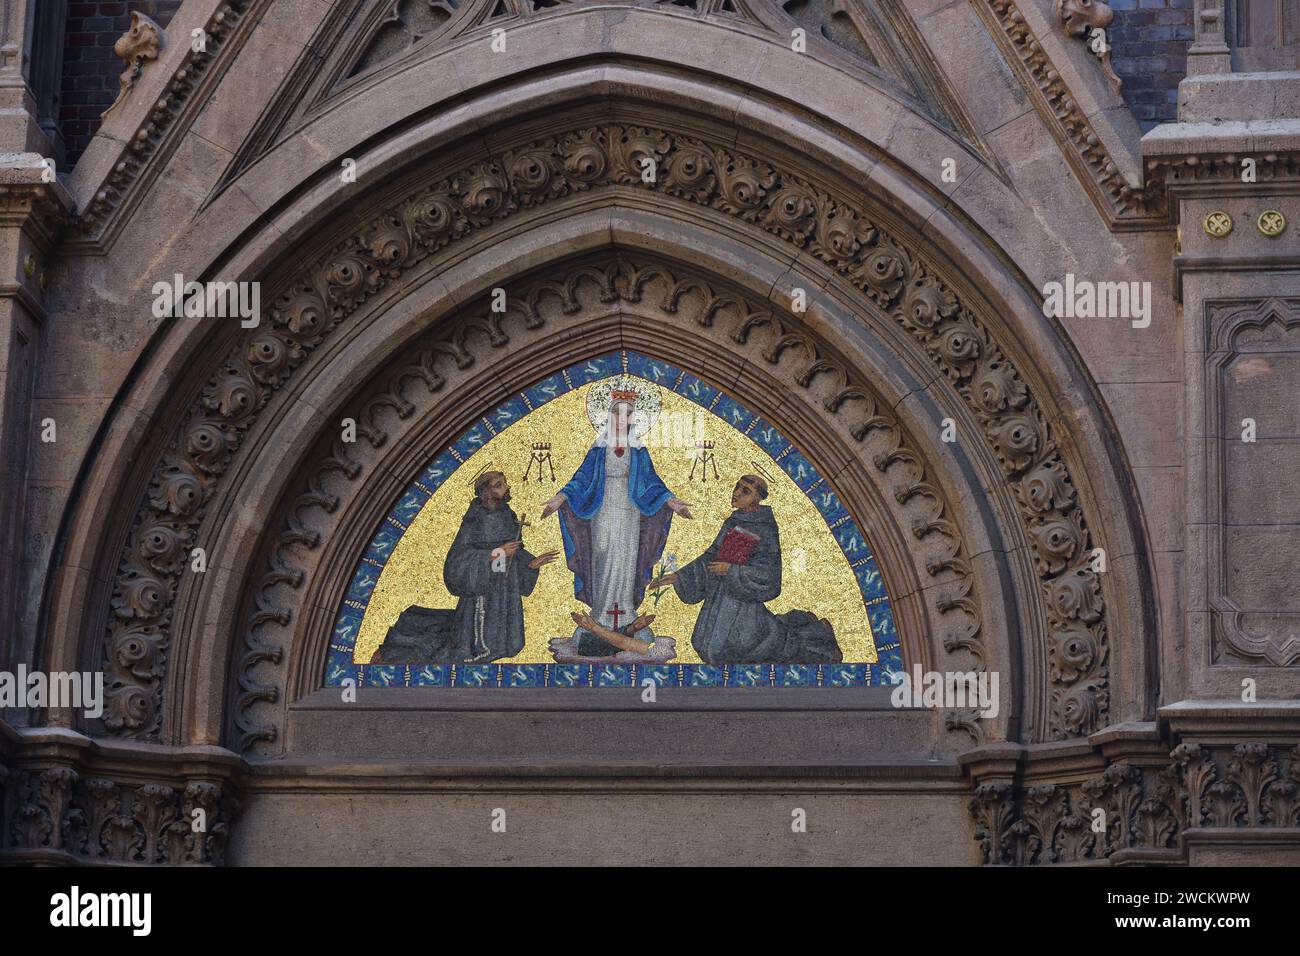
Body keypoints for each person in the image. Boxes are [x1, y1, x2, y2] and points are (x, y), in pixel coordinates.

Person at [541, 387, 691, 647]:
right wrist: (560, 498)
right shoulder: (599, 449)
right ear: (610, 418)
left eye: (627, 415)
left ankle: (625, 611)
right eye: (618, 415)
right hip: (603, 509)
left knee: (625, 557)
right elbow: (581, 479)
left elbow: (651, 482)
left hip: (630, 511)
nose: (622, 420)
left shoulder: (638, 450)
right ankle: (600, 613)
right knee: (603, 553)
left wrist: (671, 501)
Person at [648, 474, 841, 664]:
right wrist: (678, 576)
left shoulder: (765, 527)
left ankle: (817, 639)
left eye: (745, 491)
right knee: (701, 644)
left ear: (757, 498)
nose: (736, 493)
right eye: (737, 487)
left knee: (732, 648)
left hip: (743, 602)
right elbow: (712, 555)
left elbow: (770, 574)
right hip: (720, 598)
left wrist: (732, 571)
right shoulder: (734, 521)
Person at [373, 471, 558, 663]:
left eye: (504, 483)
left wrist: (531, 564)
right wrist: (496, 553)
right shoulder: (475, 517)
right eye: (498, 484)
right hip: (481, 586)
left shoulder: (508, 514)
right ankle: (394, 651)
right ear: (485, 492)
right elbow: (458, 558)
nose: (506, 487)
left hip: (505, 586)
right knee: (467, 648)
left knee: (508, 645)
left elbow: (515, 553)